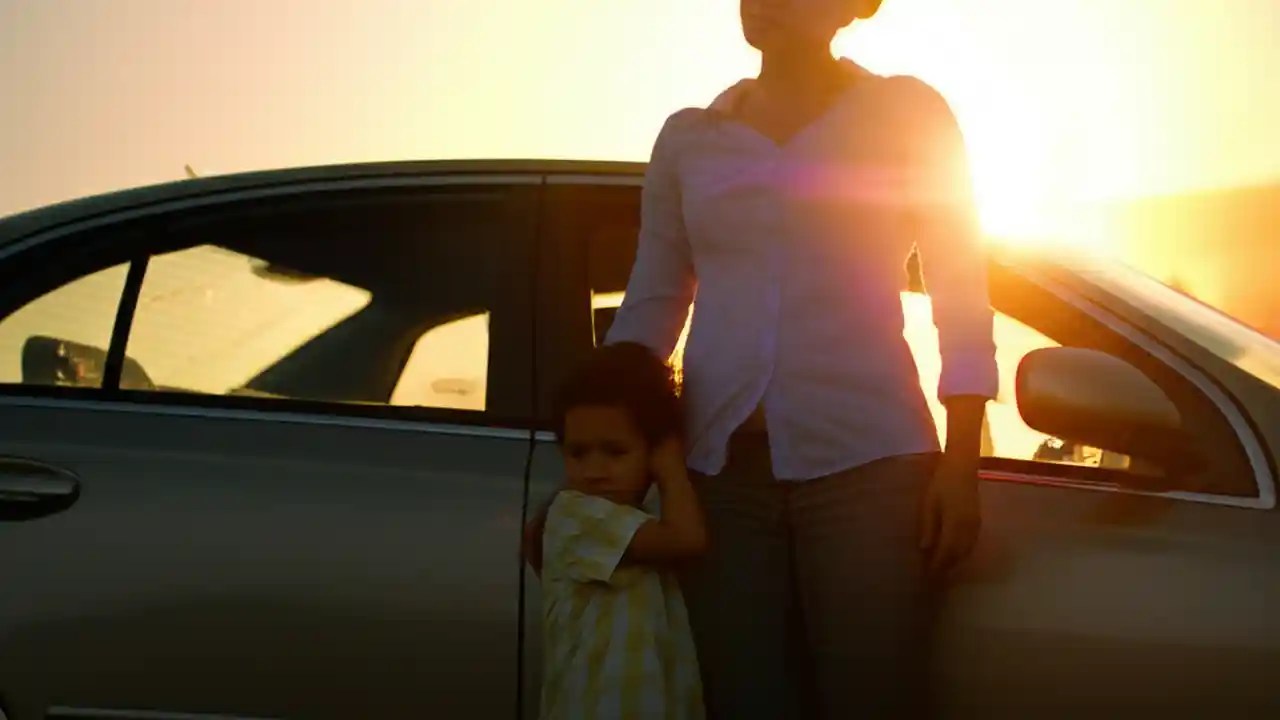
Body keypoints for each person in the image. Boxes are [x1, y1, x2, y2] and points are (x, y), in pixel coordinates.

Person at [602, 0, 999, 717]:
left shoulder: (908, 112)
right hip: (717, 481)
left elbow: (962, 291)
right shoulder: (689, 139)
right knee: (742, 701)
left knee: (872, 699)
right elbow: (653, 303)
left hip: (873, 469)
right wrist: (595, 456)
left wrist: (961, 465)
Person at [530, 342, 707, 720]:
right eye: (578, 453)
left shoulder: (632, 518)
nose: (594, 469)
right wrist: (671, 468)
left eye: (614, 451)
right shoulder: (577, 515)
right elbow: (687, 540)